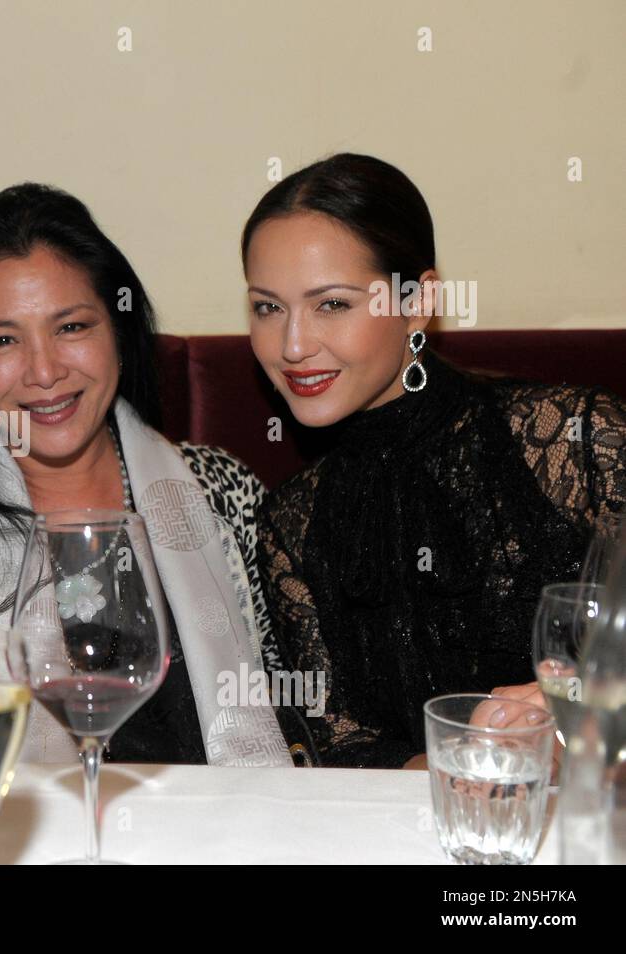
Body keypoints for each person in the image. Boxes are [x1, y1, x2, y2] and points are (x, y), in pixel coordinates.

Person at [0, 183, 293, 766]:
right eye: (2, 340)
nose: (45, 371)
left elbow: (294, 712)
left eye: (72, 327)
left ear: (119, 334)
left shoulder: (220, 493)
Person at [245, 153, 626, 768]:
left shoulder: (573, 439)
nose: (291, 345)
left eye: (333, 304)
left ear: (418, 302)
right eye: (267, 307)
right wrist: (467, 761)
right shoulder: (293, 518)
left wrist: (581, 710)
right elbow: (341, 748)